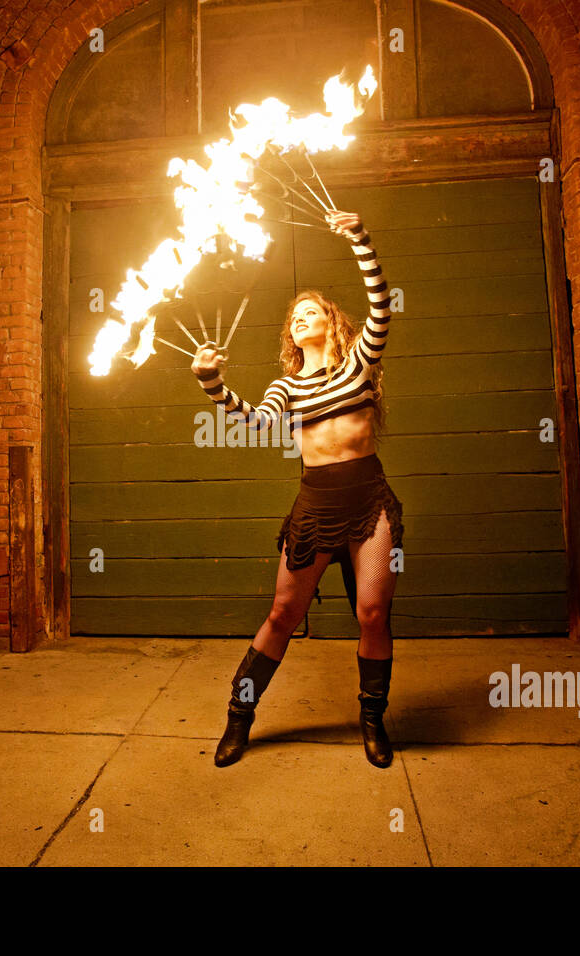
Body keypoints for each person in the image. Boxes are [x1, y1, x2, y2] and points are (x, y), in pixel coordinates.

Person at [190, 208, 403, 769]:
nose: (303, 318)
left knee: (373, 612)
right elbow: (258, 421)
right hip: (316, 503)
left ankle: (372, 721)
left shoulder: (360, 364)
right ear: (291, 335)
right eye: (296, 317)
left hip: (369, 499)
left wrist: (359, 235)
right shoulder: (287, 384)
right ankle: (239, 719)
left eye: (313, 312)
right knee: (283, 613)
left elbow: (381, 302)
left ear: (331, 323)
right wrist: (211, 382)